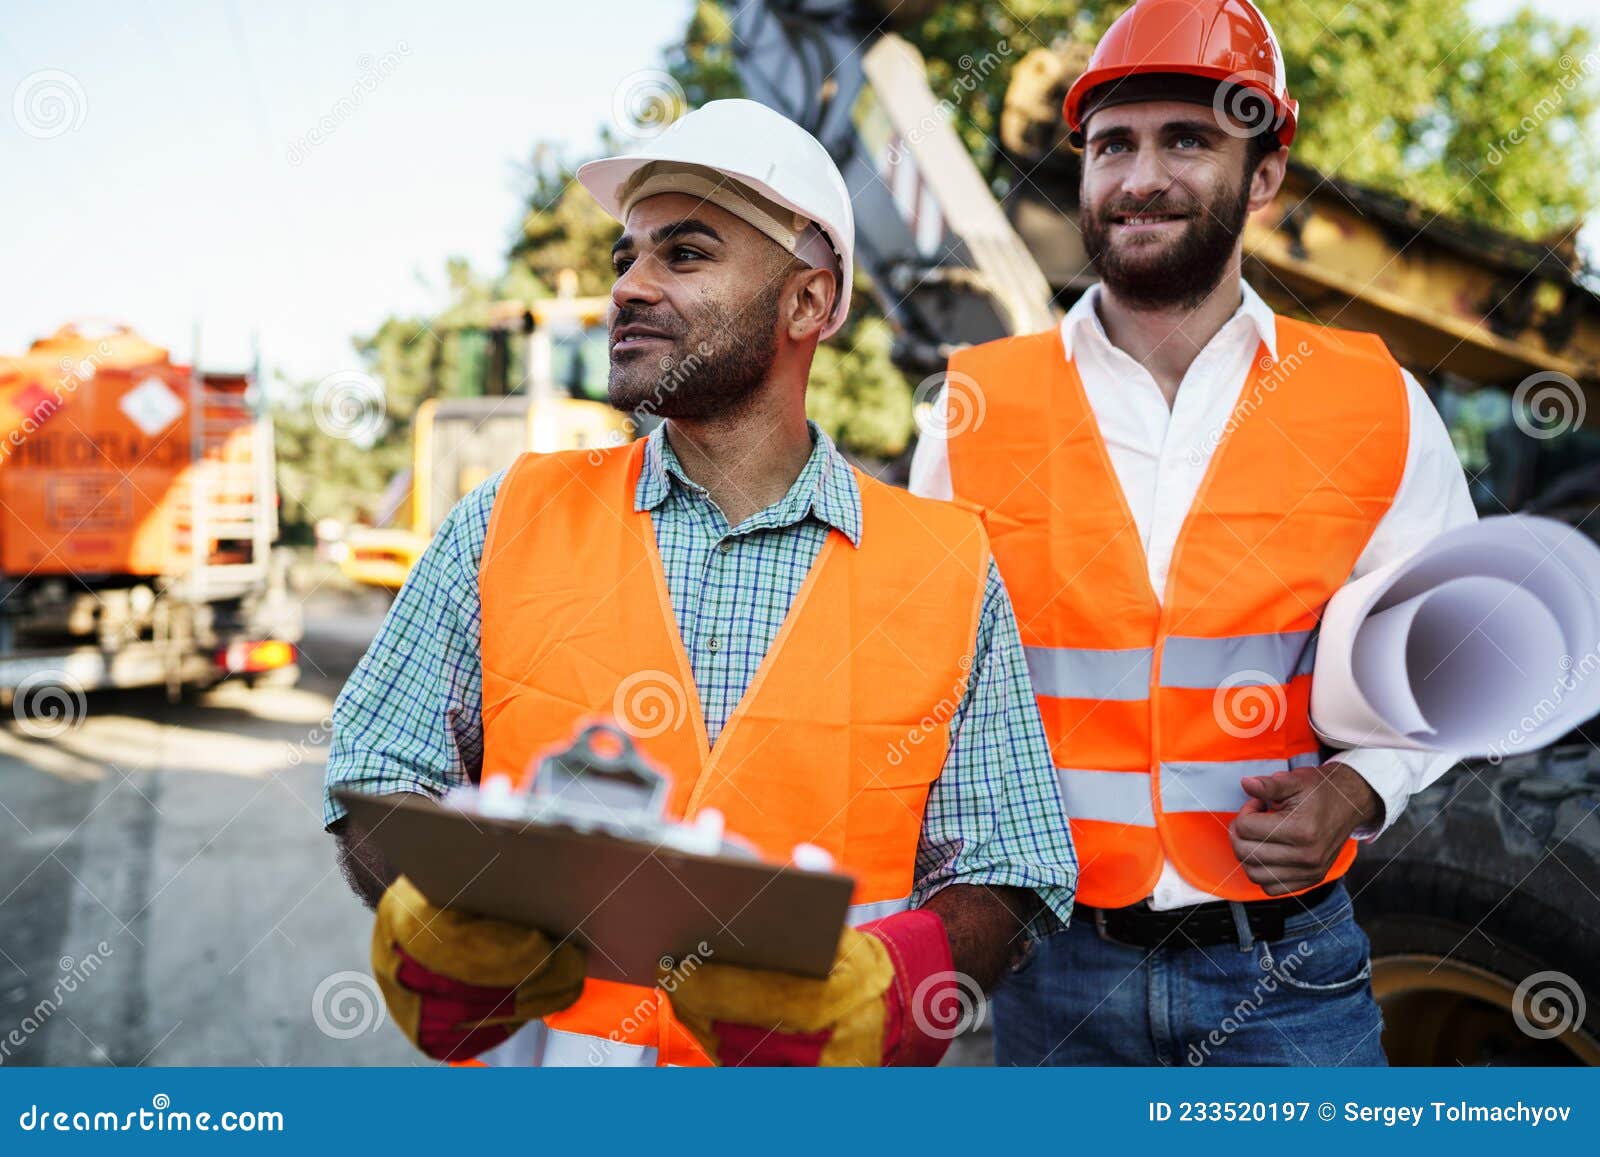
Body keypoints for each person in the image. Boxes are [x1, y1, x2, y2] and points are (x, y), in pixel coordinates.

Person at [325, 99, 1077, 1068]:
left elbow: (1009, 872)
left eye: (683, 255)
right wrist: (420, 905)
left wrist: (889, 985)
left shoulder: (946, 566)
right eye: (625, 257)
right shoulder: (506, 515)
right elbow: (380, 773)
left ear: (807, 302)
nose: (630, 286)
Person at [911, 0, 1475, 1066]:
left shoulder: (1371, 397)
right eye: (1112, 144)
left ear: (1261, 177)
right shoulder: (972, 408)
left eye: (1187, 140)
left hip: (1286, 972)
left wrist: (1358, 789)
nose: (1139, 177)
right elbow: (931, 686)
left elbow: (1456, 654)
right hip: (1054, 972)